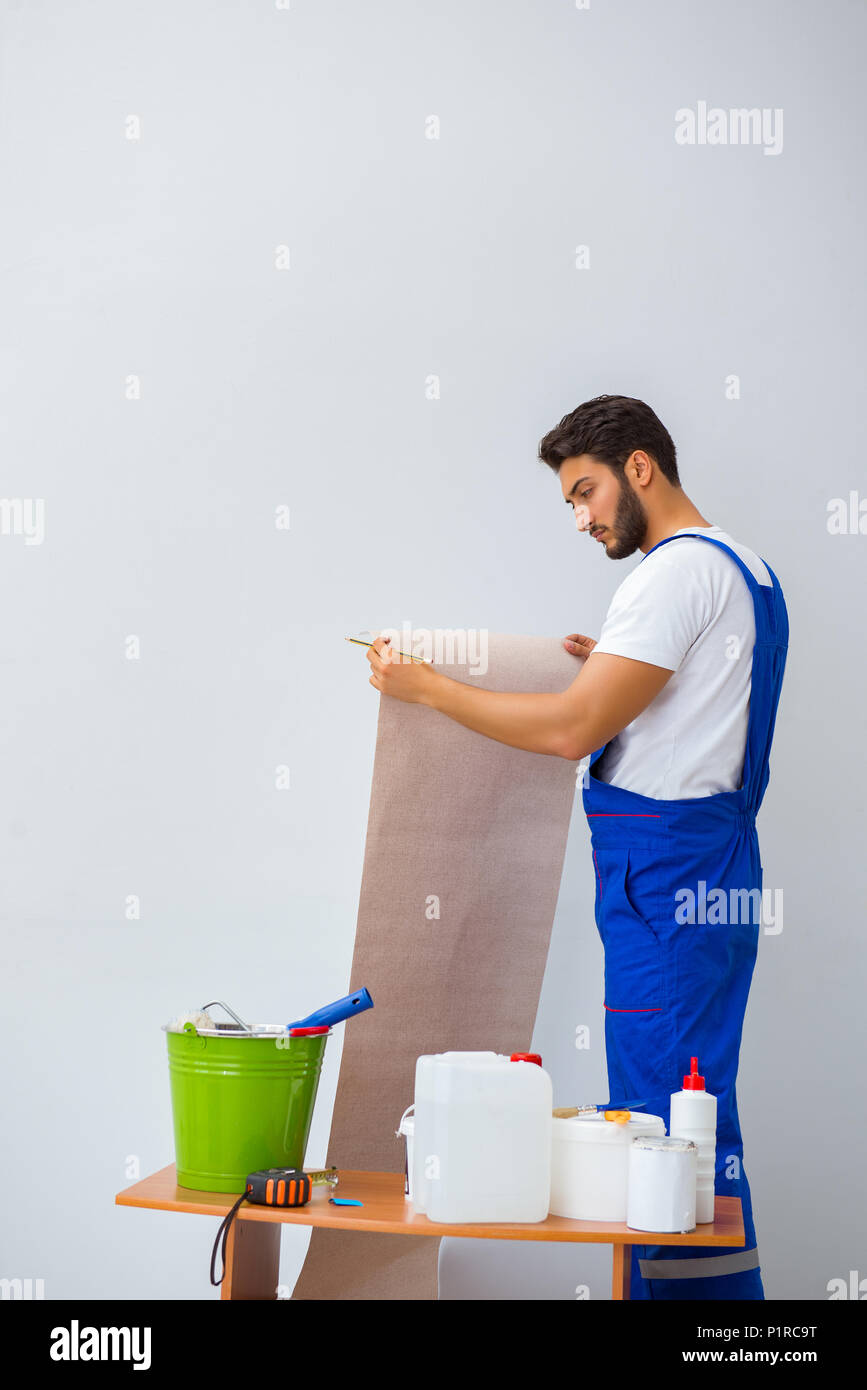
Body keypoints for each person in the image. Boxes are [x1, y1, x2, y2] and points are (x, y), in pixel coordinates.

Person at [364, 393, 788, 1300]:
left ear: (641, 467)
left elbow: (568, 730)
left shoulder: (670, 576)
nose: (582, 517)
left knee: (662, 1135)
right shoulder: (744, 569)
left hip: (664, 886)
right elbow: (701, 710)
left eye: (585, 491)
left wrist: (428, 689)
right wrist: (622, 661)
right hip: (713, 875)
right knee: (697, 1114)